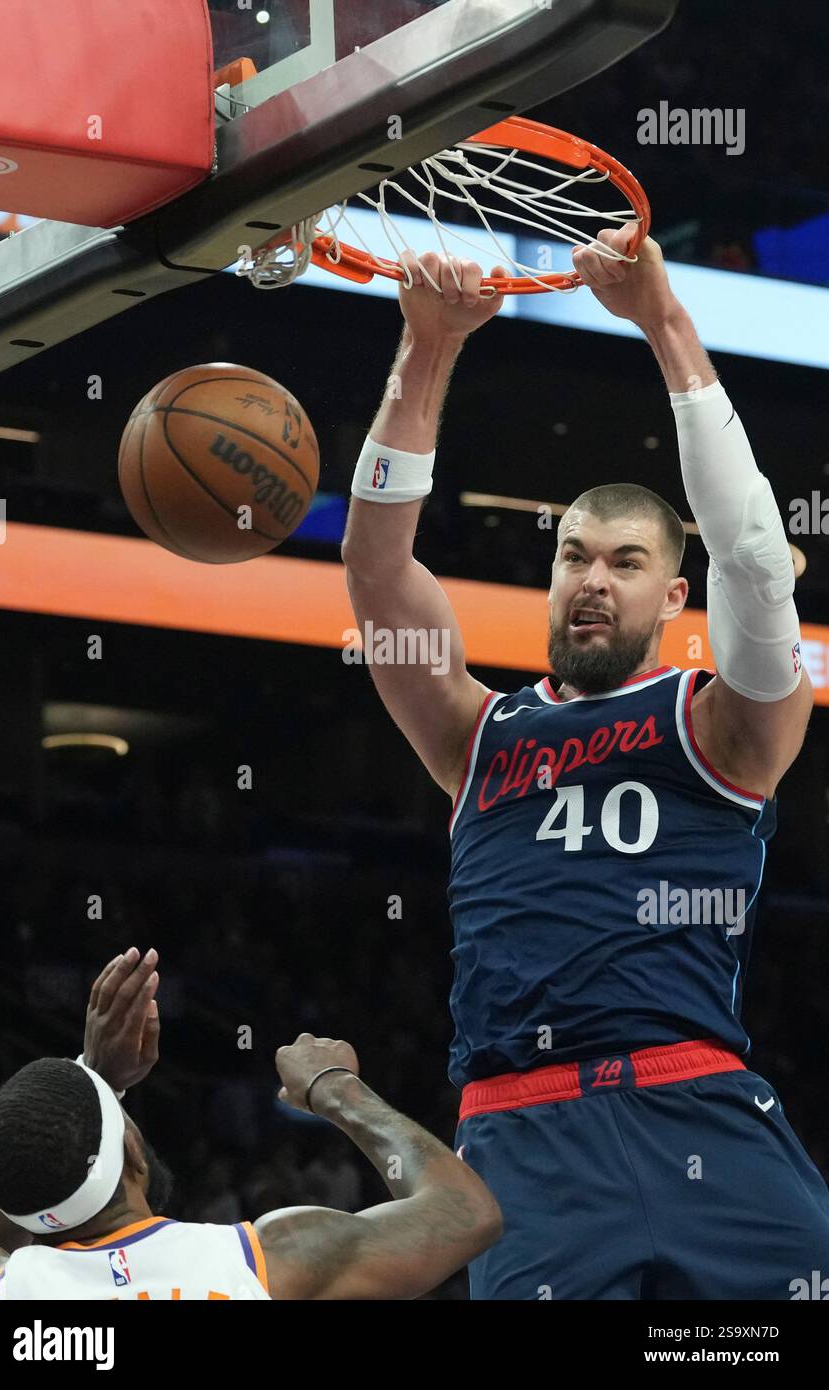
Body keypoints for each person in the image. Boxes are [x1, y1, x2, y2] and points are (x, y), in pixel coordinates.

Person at [340, 231, 829, 1299]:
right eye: (571, 555)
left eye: (624, 560)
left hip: (696, 1105)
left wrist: (662, 322)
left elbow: (750, 553)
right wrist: (424, 354)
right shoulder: (473, 734)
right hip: (522, 1139)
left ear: (671, 599)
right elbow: (375, 567)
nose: (590, 580)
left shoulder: (725, 723)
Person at [0, 947, 501, 1299]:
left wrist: (96, 1084)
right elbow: (465, 1214)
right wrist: (336, 1088)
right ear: (130, 1148)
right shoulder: (266, 1261)